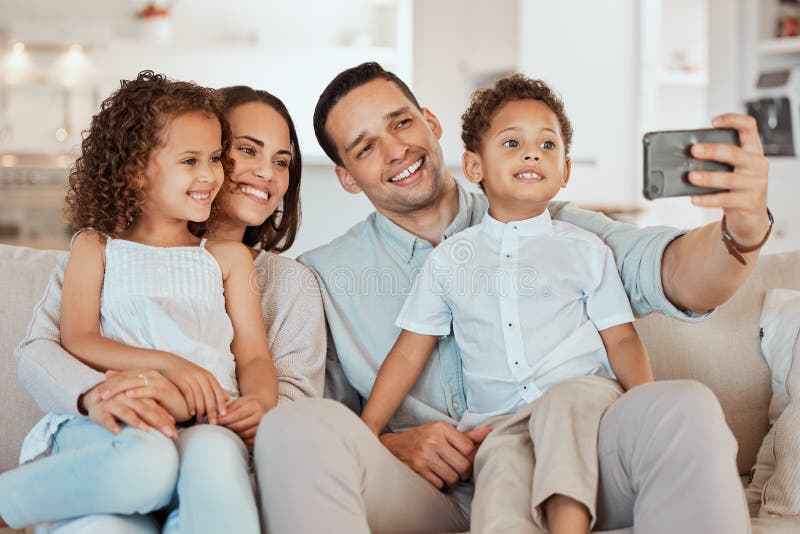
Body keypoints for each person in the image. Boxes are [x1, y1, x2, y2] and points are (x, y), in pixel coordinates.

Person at [255, 62, 769, 534]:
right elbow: (333, 419)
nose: (394, 151)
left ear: (431, 123)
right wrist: (387, 444)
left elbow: (677, 273)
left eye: (402, 124)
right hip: (427, 495)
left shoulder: (569, 233)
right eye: (365, 147)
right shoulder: (323, 276)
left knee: (684, 406)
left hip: (578, 460)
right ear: (346, 177)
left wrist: (741, 230)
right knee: (291, 428)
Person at [1, 75, 327, 533]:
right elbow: (67, 341)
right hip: (119, 420)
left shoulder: (233, 263)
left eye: (214, 158)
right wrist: (166, 368)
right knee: (144, 469)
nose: (210, 174)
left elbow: (254, 356)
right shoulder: (97, 248)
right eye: (243, 151)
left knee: (215, 470)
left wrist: (259, 403)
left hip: (206, 425)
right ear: (136, 169)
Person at [360, 73, 654, 534]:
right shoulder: (450, 260)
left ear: (566, 171)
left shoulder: (585, 249)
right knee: (498, 483)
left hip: (584, 403)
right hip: (500, 426)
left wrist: (645, 409)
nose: (532, 153)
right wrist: (367, 435)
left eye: (547, 145)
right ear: (474, 167)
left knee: (567, 403)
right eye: (512, 142)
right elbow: (409, 349)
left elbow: (621, 339)